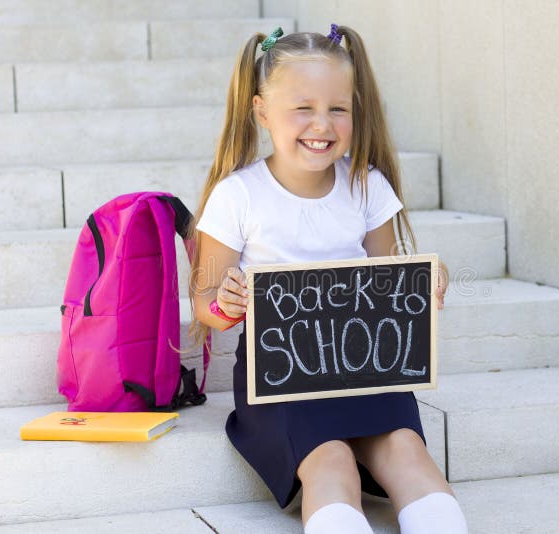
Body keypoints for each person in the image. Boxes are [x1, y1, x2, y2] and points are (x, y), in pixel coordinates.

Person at [187, 24, 468, 534]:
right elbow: (206, 301)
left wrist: (423, 282)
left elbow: (388, 276)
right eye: (303, 108)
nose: (323, 124)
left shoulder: (366, 186)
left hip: (367, 364)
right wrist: (226, 301)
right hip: (283, 374)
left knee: (407, 449)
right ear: (261, 110)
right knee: (331, 460)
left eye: (338, 108)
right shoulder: (238, 196)